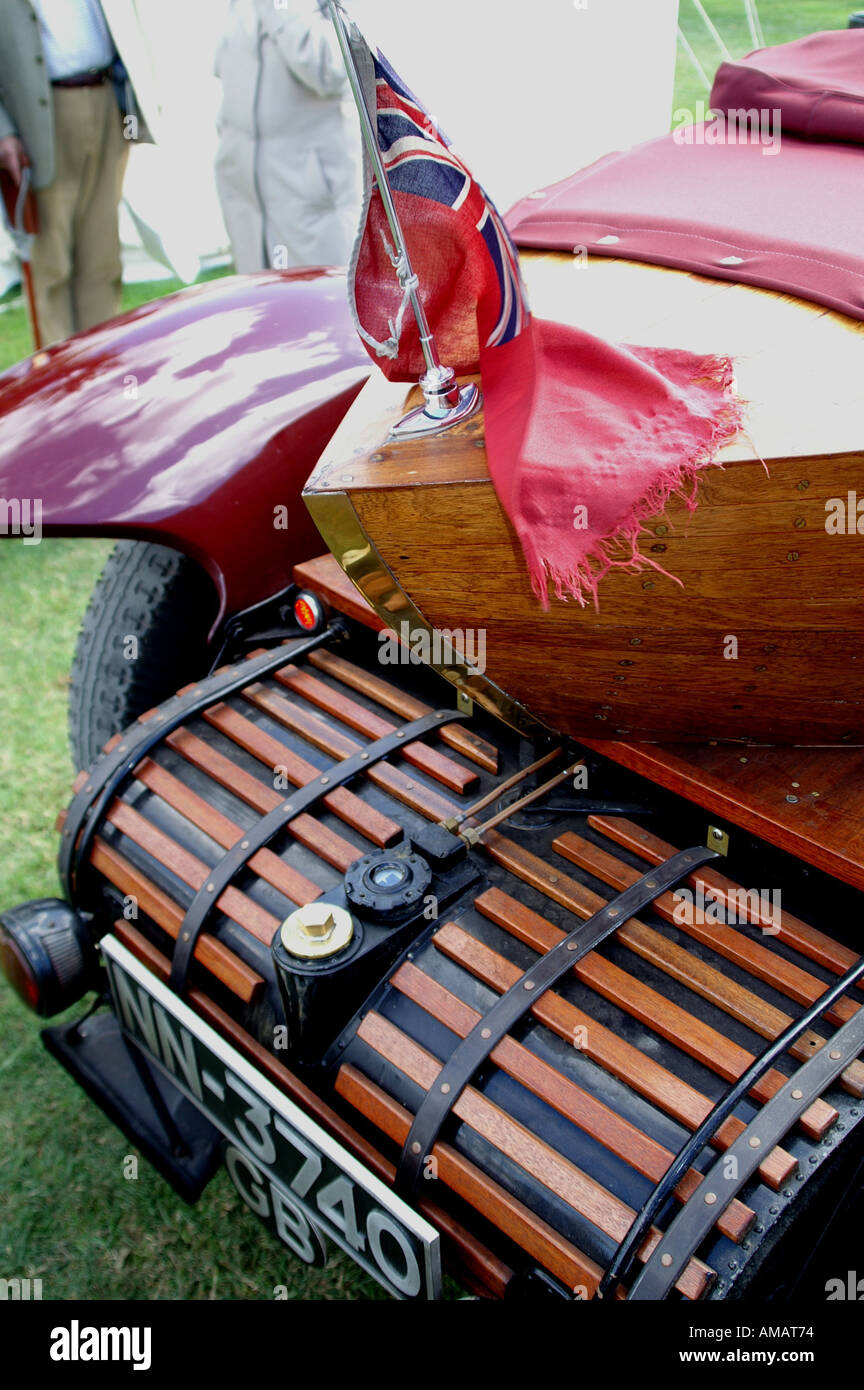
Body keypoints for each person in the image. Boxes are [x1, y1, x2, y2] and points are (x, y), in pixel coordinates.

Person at [0, 0, 160, 345]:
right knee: (50, 261)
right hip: (40, 115)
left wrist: (133, 117)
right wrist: (3, 132)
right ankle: (60, 368)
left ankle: (103, 359)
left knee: (102, 254)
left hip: (106, 96)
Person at [214, 0, 360, 273]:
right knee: (260, 295)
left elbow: (332, 68)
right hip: (247, 195)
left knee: (322, 295)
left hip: (311, 198)